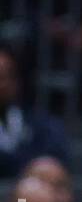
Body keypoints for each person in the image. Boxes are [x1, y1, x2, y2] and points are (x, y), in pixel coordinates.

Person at [0, 44, 69, 179]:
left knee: (32, 191)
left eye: (4, 77)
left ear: (17, 81)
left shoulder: (43, 127)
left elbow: (56, 168)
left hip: (23, 198)